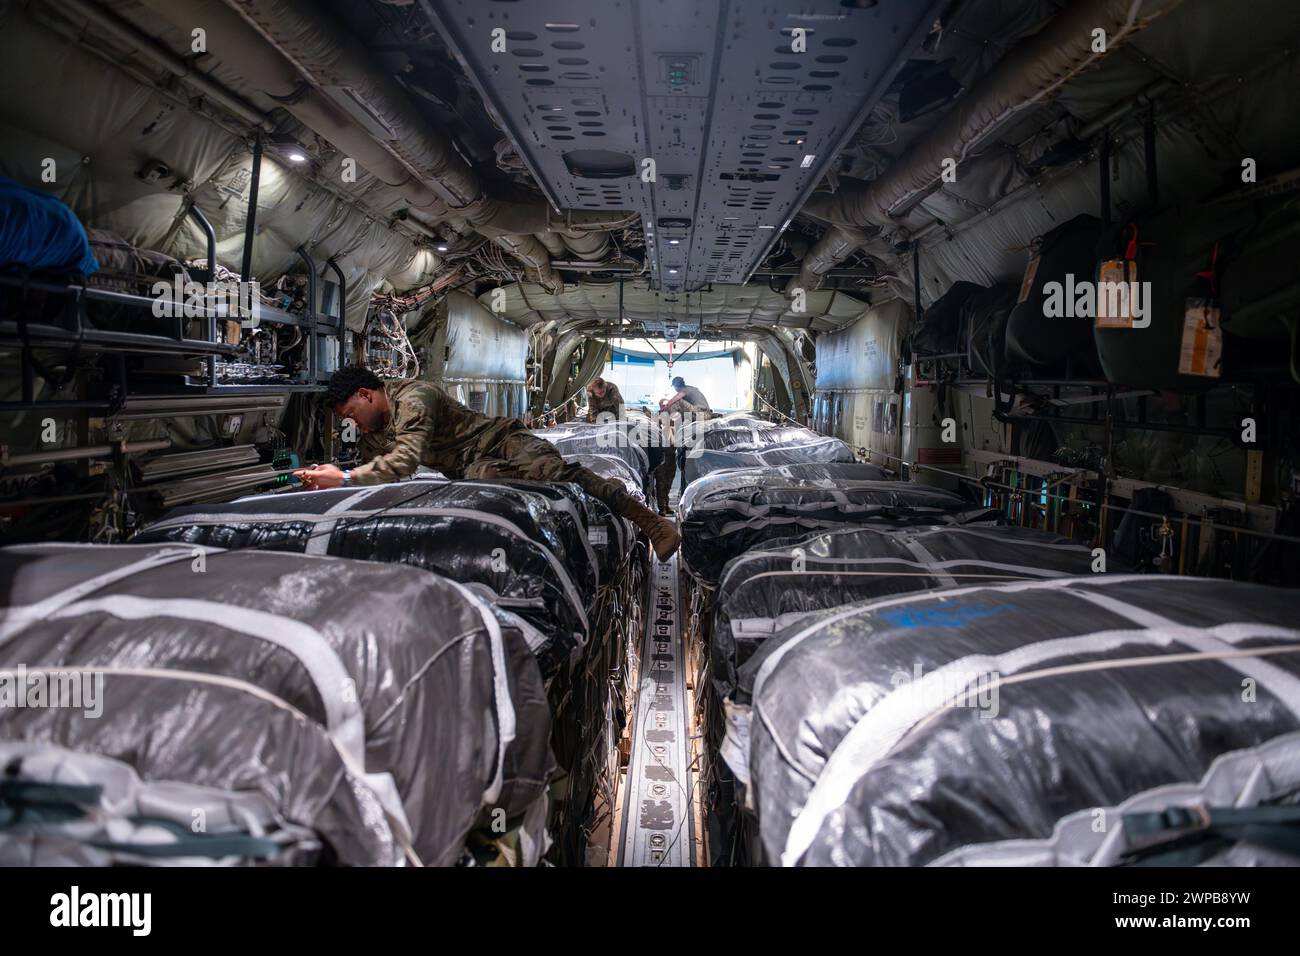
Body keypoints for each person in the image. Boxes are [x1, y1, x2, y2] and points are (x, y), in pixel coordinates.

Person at [293, 367, 681, 560]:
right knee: (488, 484)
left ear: (365, 394)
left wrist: (342, 477)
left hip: (500, 441)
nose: (352, 422)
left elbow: (404, 459)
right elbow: (379, 475)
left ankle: (651, 522)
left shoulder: (414, 397)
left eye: (350, 412)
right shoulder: (373, 432)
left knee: (556, 473)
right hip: (473, 469)